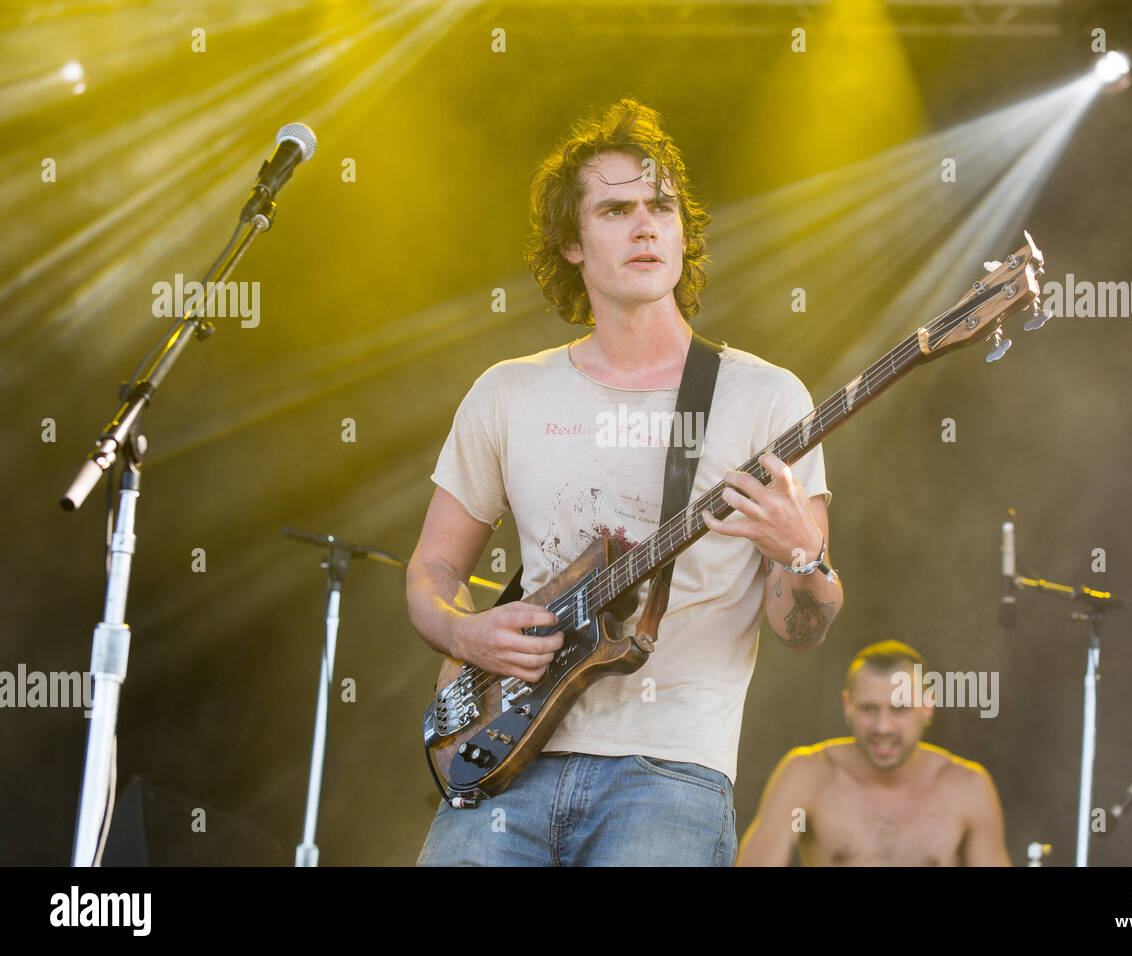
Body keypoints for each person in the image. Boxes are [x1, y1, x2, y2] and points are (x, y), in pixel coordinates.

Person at [407, 98, 843, 866]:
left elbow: (800, 628)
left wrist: (803, 556)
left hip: (669, 774)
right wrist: (463, 631)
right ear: (572, 243)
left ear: (682, 232)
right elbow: (434, 569)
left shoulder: (765, 398)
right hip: (508, 761)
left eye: (661, 208)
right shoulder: (508, 392)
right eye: (616, 209)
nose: (646, 225)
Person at [736, 640, 1010, 866]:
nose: (883, 727)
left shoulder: (968, 787)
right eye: (869, 709)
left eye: (899, 709)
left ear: (928, 706)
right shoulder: (807, 775)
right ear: (848, 706)